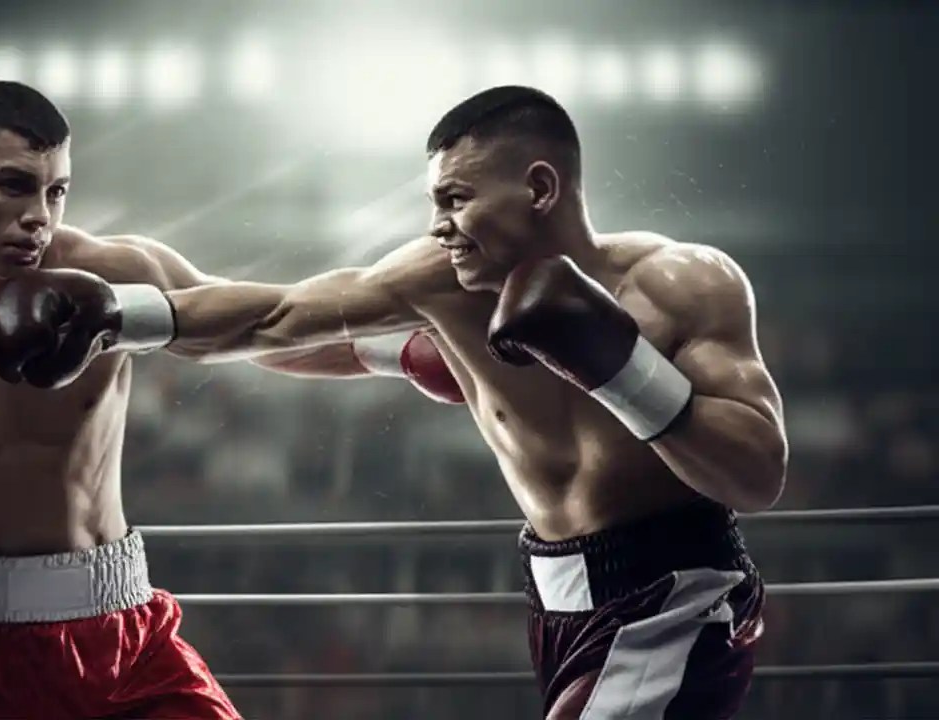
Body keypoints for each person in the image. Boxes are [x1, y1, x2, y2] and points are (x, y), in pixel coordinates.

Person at [57, 86, 788, 718]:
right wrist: (120, 316)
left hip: (682, 595)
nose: (439, 224)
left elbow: (757, 477)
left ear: (539, 188)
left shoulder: (683, 284)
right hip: (560, 602)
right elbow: (276, 320)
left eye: (456, 199)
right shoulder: (439, 282)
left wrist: (616, 363)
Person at [0, 80, 463, 720]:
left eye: (55, 190)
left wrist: (395, 354)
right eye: (13, 186)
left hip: (115, 638)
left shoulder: (116, 274)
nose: (38, 216)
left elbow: (261, 331)